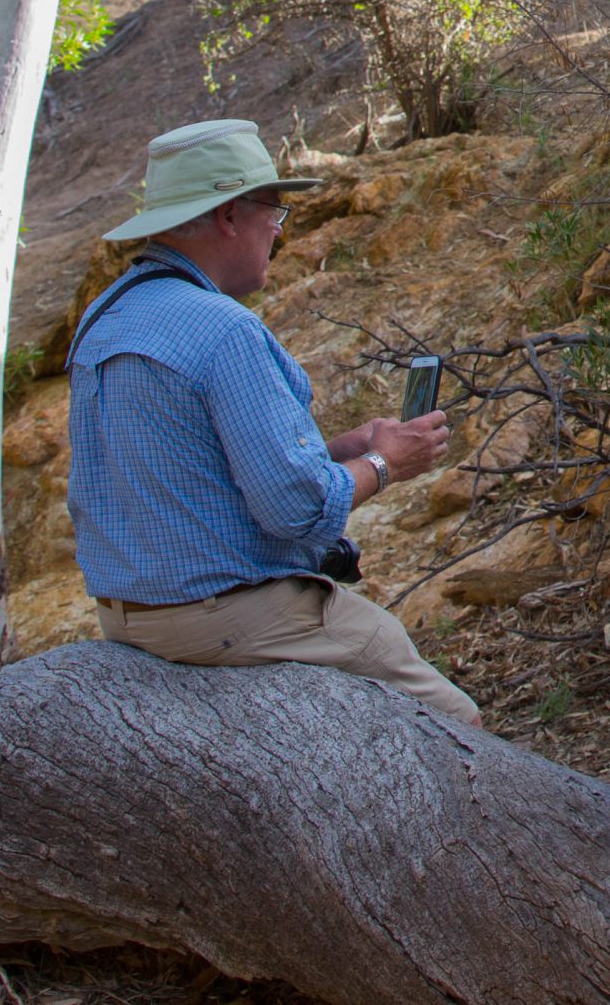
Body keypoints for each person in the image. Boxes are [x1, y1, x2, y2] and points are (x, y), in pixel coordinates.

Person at [67, 118, 479, 724]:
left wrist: (342, 448)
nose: (278, 233)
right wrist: (386, 463)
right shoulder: (223, 328)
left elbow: (191, 471)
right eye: (275, 212)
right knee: (455, 717)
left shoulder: (105, 315)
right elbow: (297, 510)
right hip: (223, 615)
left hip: (128, 614)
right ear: (231, 215)